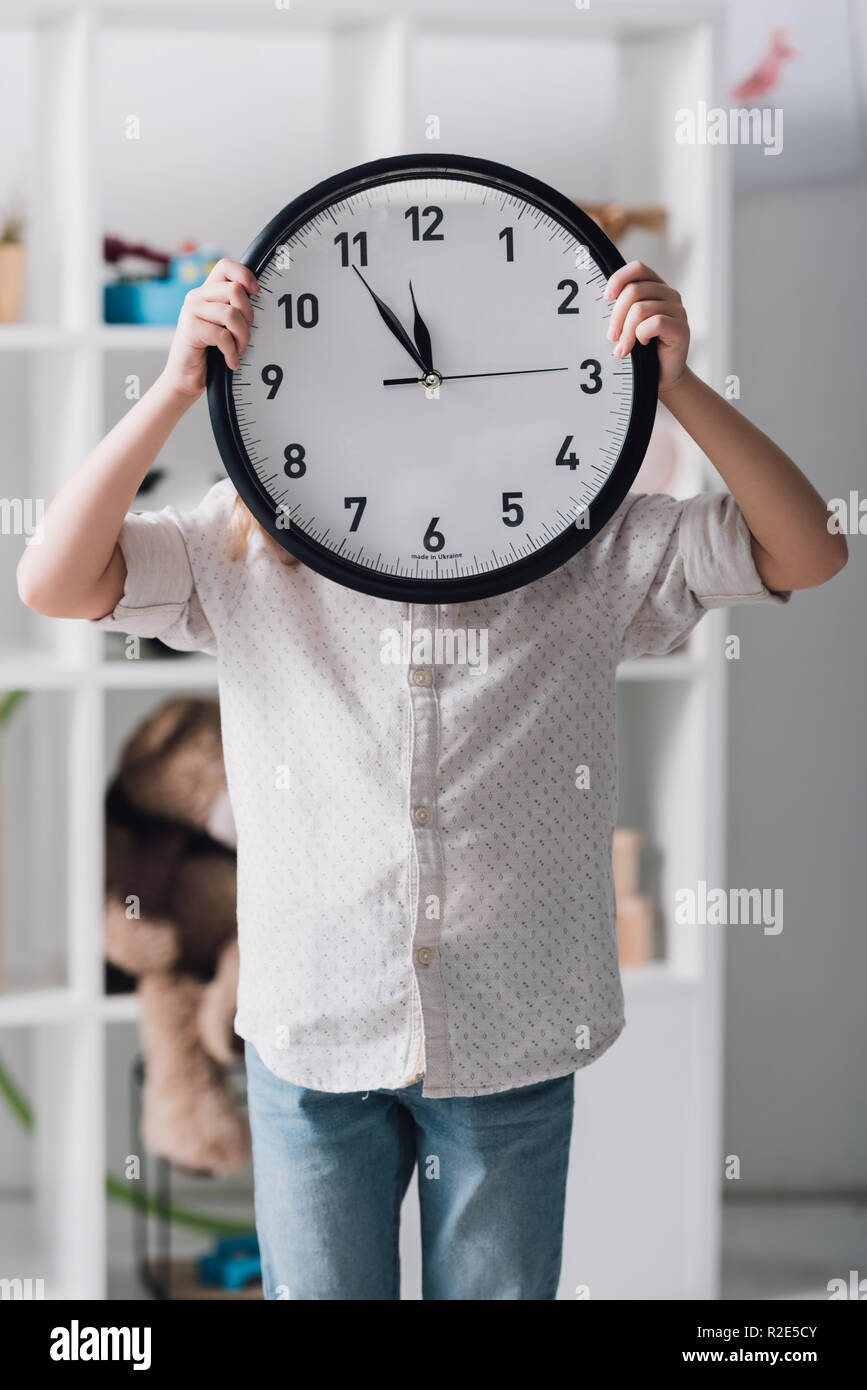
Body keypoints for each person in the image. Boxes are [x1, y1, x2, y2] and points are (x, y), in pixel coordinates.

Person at [17, 255, 846, 1301]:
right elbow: (50, 579)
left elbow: (810, 550)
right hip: (314, 1031)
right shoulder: (246, 539)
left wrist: (678, 382)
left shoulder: (583, 543)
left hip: (512, 1031)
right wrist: (181, 386)